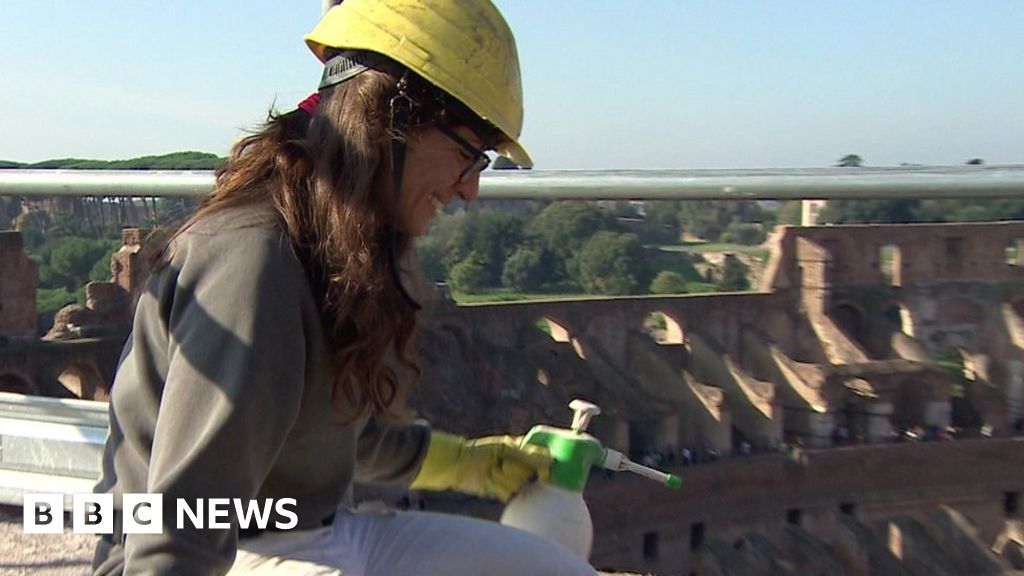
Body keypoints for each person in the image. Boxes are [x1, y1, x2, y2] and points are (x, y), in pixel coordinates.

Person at [91, 1, 596, 575]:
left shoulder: (340, 242)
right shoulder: (254, 265)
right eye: (467, 155)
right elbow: (183, 526)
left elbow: (333, 438)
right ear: (390, 119)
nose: (470, 190)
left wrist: (470, 465)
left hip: (319, 528)